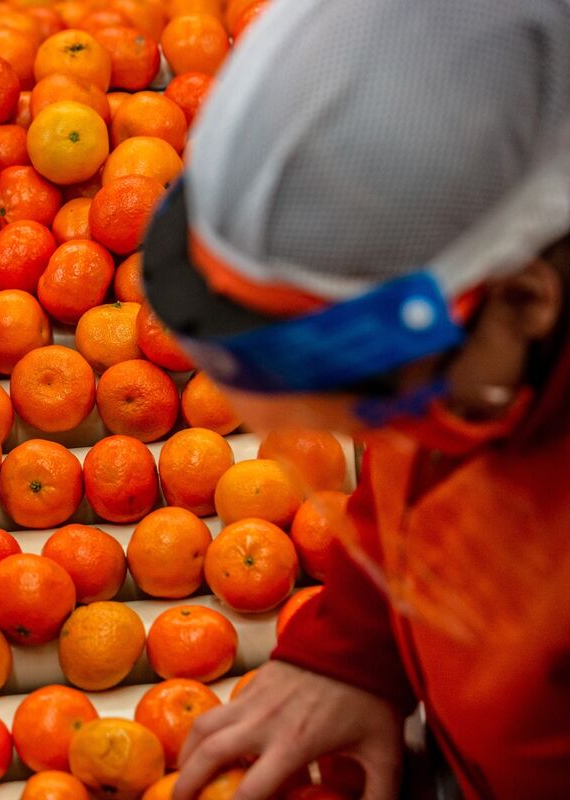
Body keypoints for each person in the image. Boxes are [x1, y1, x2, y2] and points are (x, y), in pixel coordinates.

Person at [140, 1, 570, 798]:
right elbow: (417, 472)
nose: (372, 432)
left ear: (525, 302)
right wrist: (358, 650)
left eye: (369, 406)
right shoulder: (463, 358)